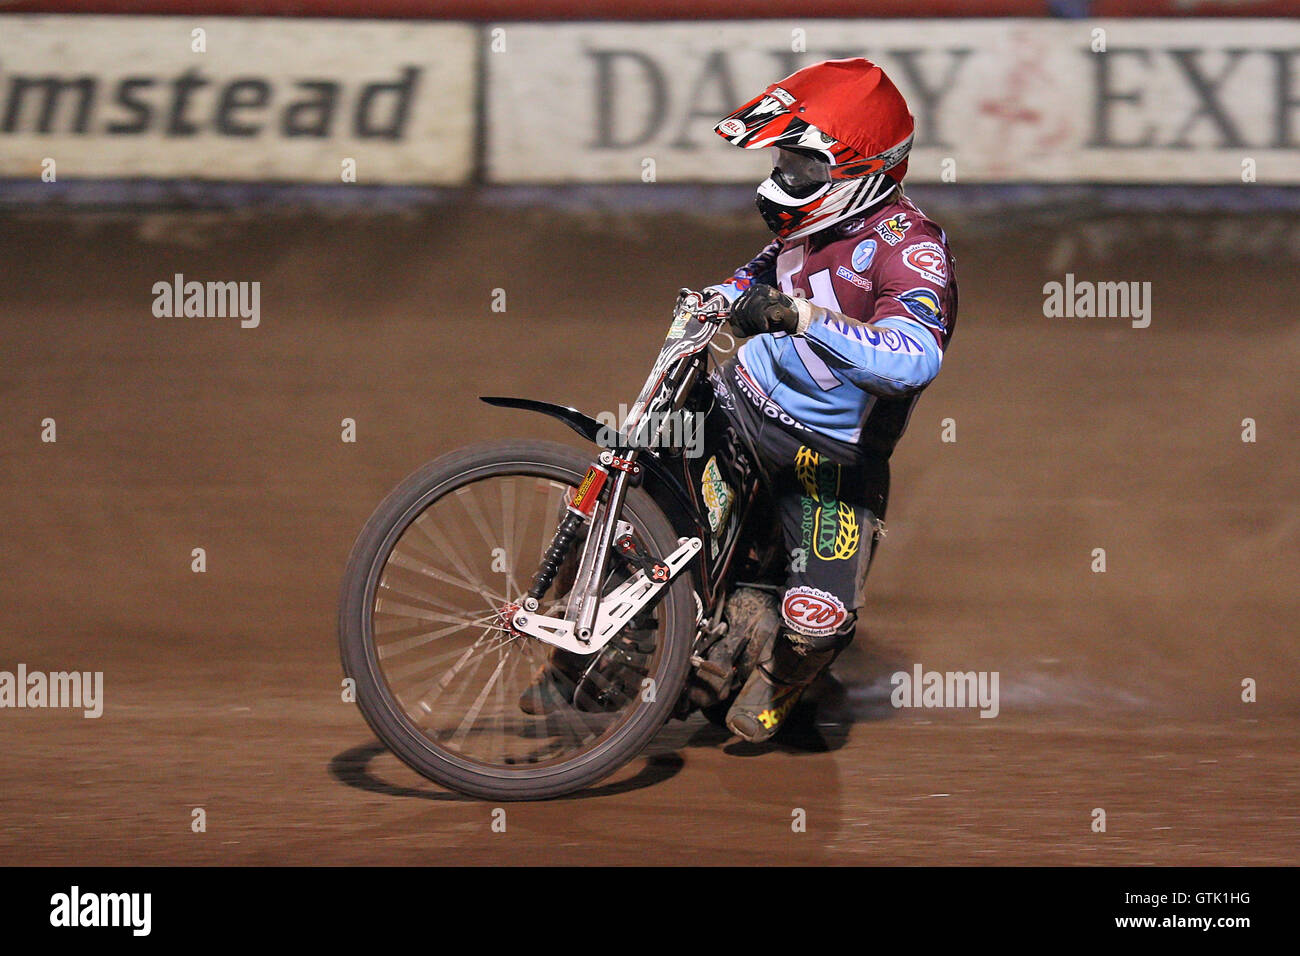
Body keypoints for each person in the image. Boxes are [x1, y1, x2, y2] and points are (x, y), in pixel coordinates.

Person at [696, 57, 959, 742]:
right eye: (785, 161)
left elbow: (915, 358)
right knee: (641, 498)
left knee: (816, 621)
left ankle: (785, 681)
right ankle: (602, 648)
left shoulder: (914, 251)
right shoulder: (809, 222)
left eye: (805, 170)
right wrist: (719, 298)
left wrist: (803, 319)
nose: (785, 181)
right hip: (738, 405)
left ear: (863, 175)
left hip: (830, 456)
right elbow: (763, 270)